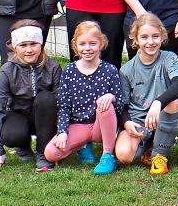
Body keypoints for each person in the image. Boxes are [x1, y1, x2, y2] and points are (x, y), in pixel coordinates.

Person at [44, 21, 123, 175]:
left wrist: (111, 96)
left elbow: (120, 105)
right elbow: (64, 105)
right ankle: (82, 145)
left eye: (92, 43)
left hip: (101, 125)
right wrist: (62, 132)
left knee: (106, 105)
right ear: (75, 46)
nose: (87, 48)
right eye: (82, 44)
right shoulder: (69, 71)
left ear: (101, 44)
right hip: (79, 125)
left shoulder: (110, 70)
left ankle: (108, 155)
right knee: (51, 153)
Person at [0, 20, 62, 172]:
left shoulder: (53, 67)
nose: (29, 50)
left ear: (41, 44)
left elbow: (62, 102)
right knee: (11, 135)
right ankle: (23, 146)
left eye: (33, 44)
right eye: (23, 45)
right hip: (19, 114)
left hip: (46, 116)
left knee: (46, 98)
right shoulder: (7, 71)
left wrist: (62, 134)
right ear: (15, 47)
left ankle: (43, 154)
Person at [114, 13, 178, 175]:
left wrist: (158, 102)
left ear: (162, 37)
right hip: (139, 120)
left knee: (173, 100)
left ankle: (159, 155)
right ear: (135, 39)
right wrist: (126, 123)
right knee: (124, 155)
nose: (150, 42)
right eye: (144, 37)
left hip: (162, 115)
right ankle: (147, 147)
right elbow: (123, 104)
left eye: (155, 36)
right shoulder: (126, 70)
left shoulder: (169, 58)